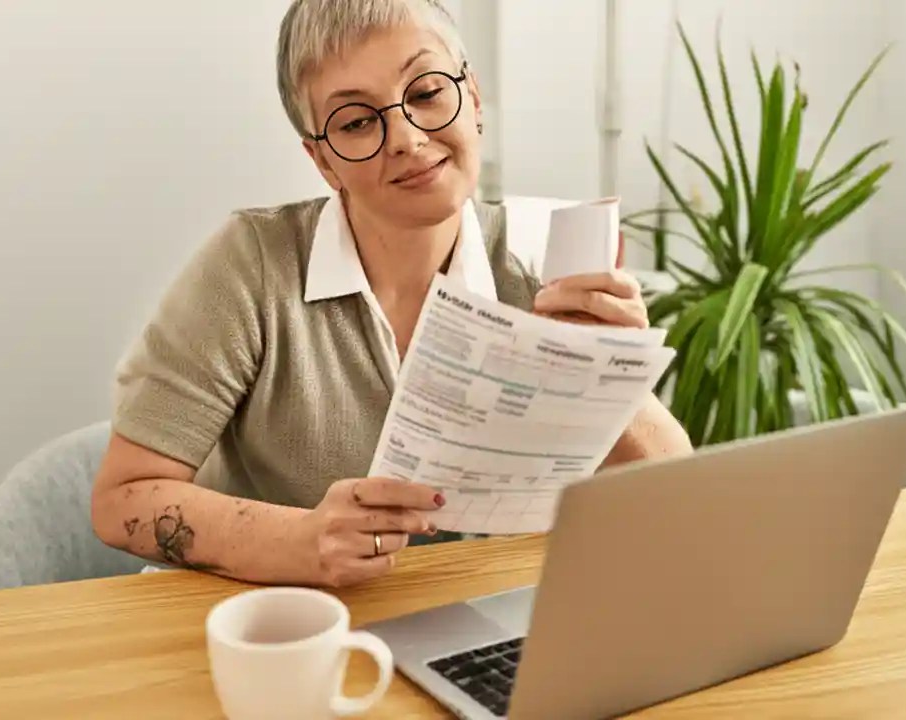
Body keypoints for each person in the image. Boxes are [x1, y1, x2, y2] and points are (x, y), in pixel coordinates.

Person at [91, 0, 692, 588]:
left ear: (474, 99)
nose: (405, 136)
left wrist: (611, 380)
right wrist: (297, 542)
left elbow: (675, 498)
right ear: (323, 160)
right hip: (290, 631)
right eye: (356, 122)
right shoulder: (252, 267)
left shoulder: (546, 264)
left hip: (483, 627)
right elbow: (122, 499)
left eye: (427, 92)